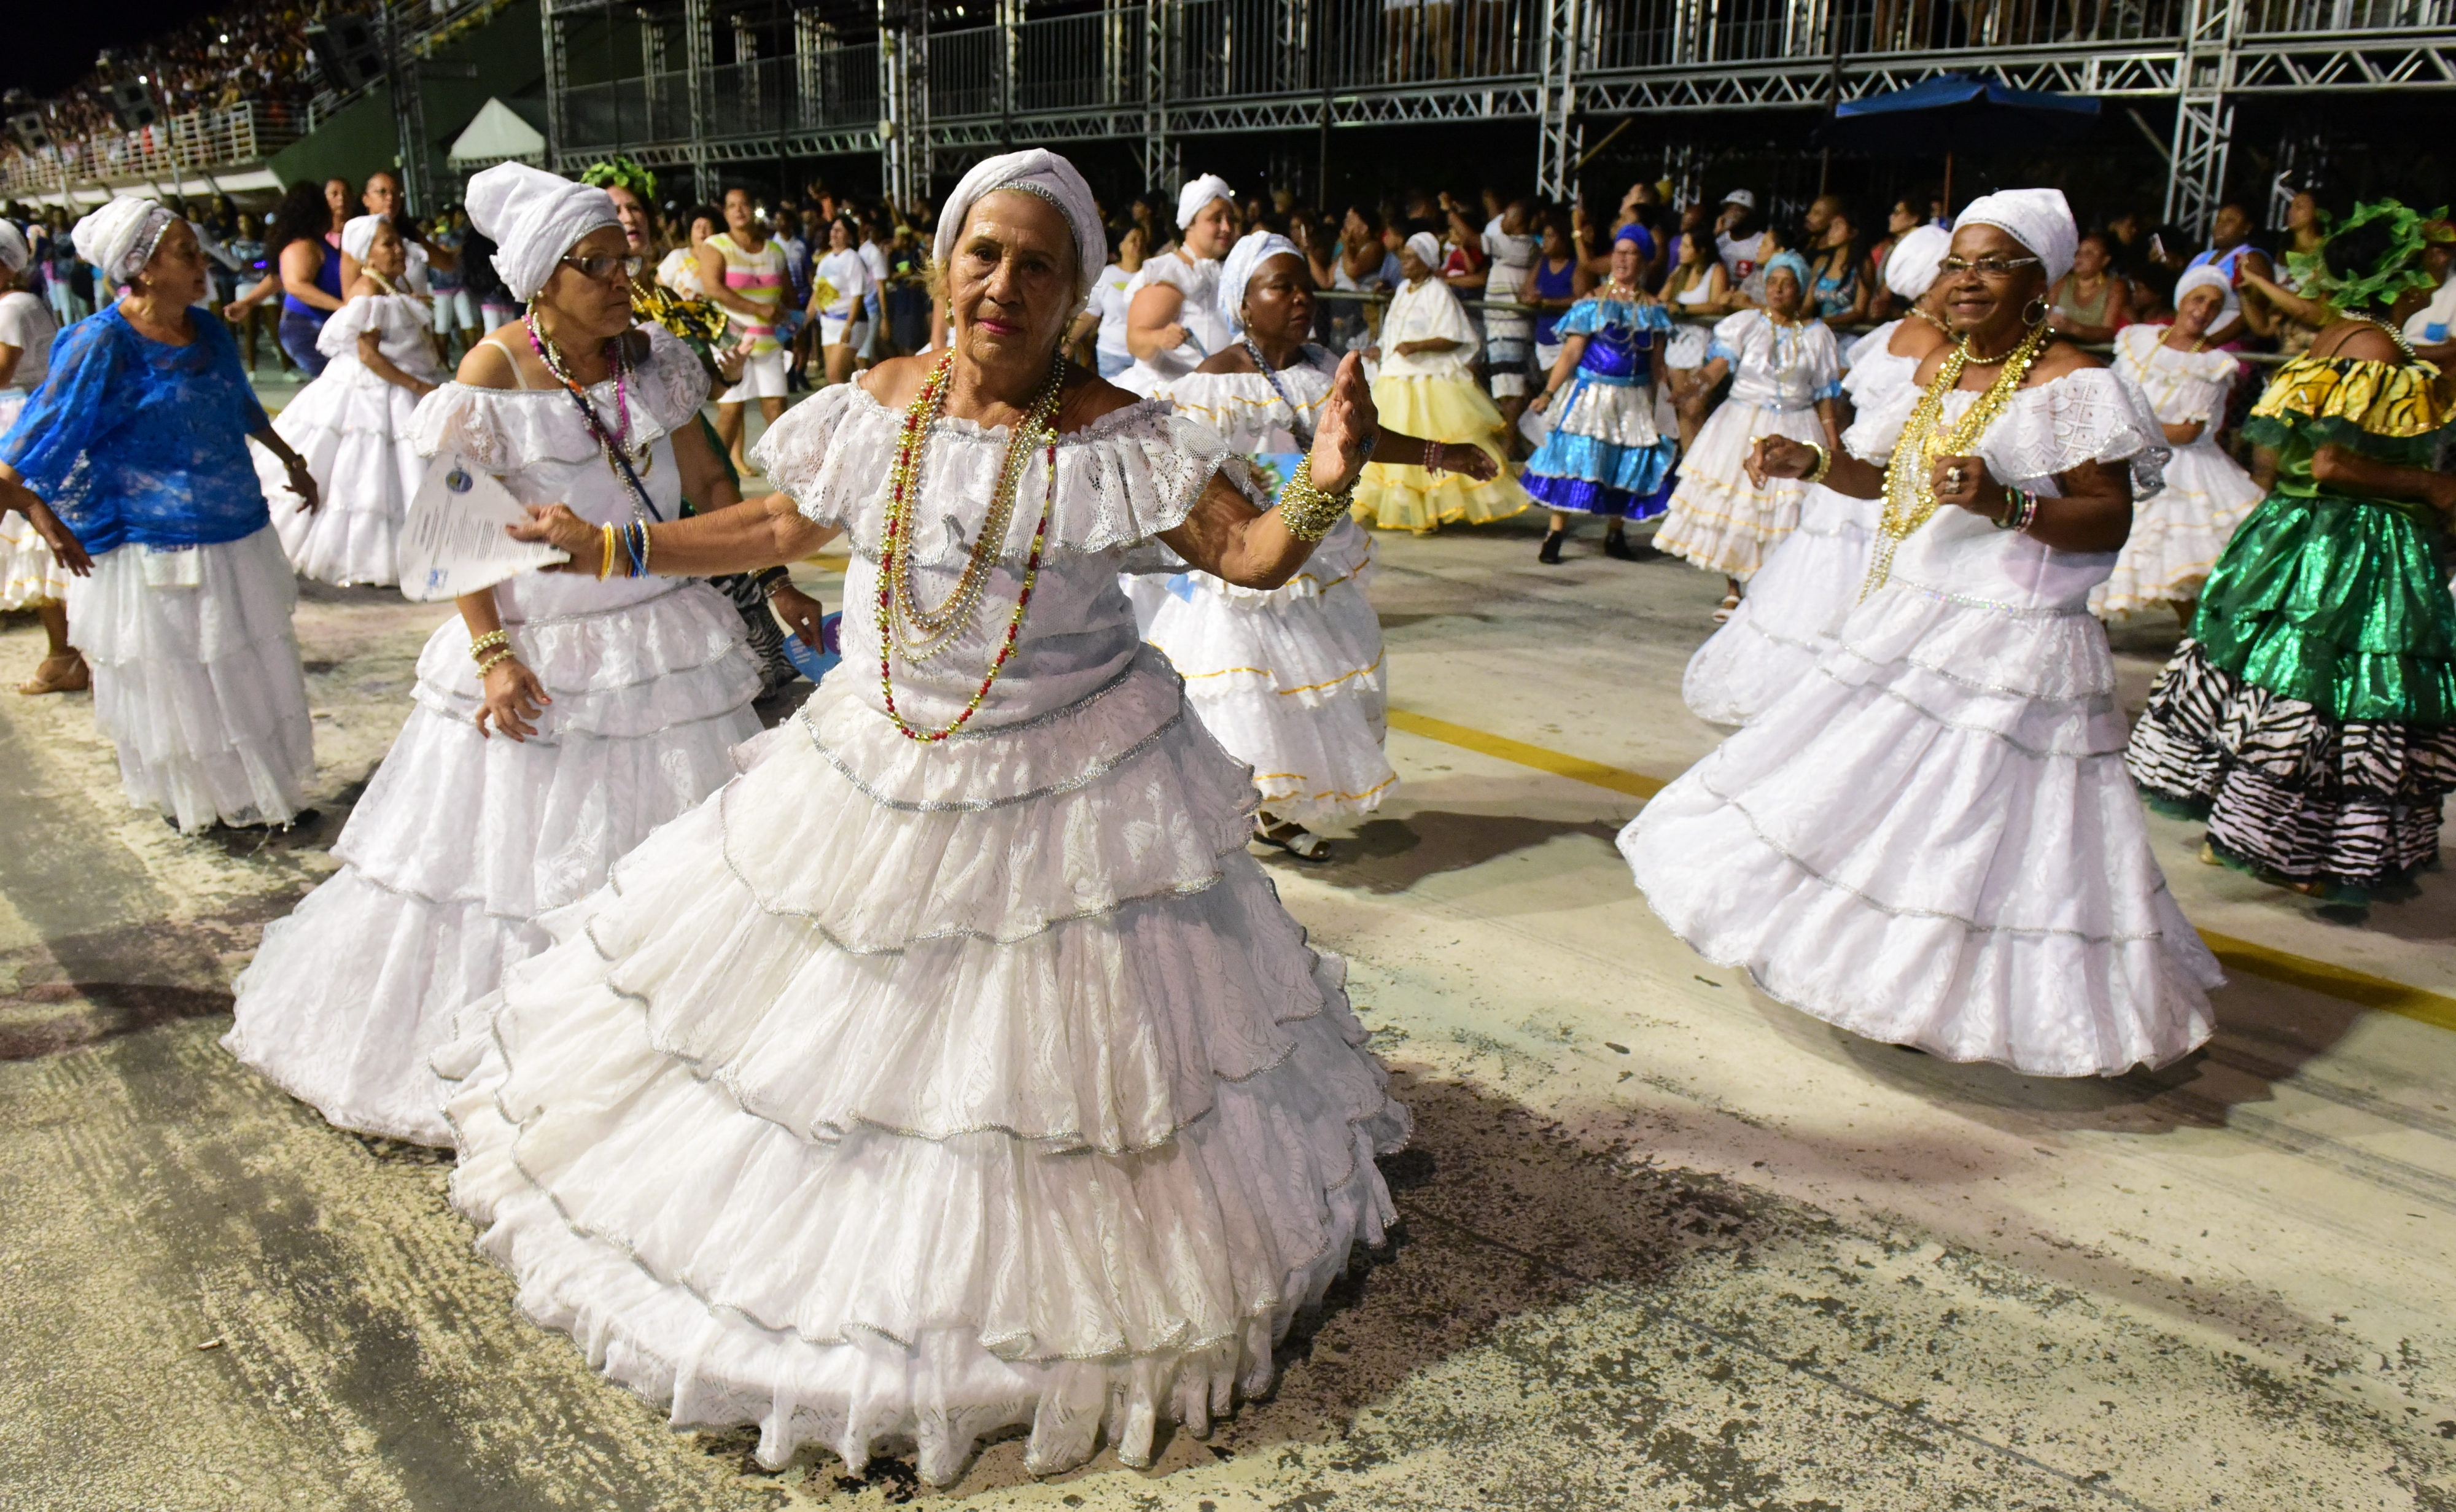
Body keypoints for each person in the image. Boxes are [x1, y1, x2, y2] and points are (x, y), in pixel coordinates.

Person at [432, 147, 1410, 1486]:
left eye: (1037, 264)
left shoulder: (1118, 431)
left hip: (1071, 801)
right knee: (832, 1066)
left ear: (1072, 294)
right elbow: (779, 516)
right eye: (981, 253)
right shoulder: (877, 400)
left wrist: (1328, 474)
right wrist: (619, 547)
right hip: (882, 764)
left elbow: (1249, 555)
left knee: (1069, 1093)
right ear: (943, 266)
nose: (1002, 283)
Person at [222, 163, 768, 1147]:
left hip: (660, 634)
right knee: (517, 883)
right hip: (543, 651)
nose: (617, 279)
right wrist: (492, 656)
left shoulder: (658, 360)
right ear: (539, 281)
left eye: (621, 259)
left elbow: (707, 476)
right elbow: (455, 539)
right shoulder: (491, 373)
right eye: (592, 265)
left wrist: (767, 579)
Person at [1623, 188, 2221, 1077]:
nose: (1967, 280)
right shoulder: (1948, 372)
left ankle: (1952, 997)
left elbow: (2105, 519)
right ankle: (1881, 978)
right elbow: (1896, 482)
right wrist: (1814, 463)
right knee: (1867, 802)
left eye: (1992, 264)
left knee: (1975, 832)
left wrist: (2005, 500)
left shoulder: (2076, 382)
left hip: (2015, 640)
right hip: (1916, 614)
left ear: (2041, 281)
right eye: (1957, 263)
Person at [2125, 203, 2456, 908]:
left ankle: (2245, 827)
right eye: (2428, 254)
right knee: (2333, 694)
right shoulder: (2373, 347)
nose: (2439, 264)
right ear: (2397, 271)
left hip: (2304, 532)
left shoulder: (2353, 334)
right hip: (2347, 540)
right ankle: (2284, 842)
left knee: (2276, 684)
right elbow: (2334, 464)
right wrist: (2430, 483)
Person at [1147, 230, 1497, 858]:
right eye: (1281, 287)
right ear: (1244, 303)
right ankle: (1226, 810)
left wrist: (1440, 454)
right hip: (1239, 573)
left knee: (1303, 689)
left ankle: (1274, 811)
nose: (1300, 298)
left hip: (1310, 556)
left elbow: (1362, 439)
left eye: (1304, 285)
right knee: (1242, 690)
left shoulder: (1316, 370)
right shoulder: (1214, 380)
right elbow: (1184, 466)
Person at [0, 198, 322, 833]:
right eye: (186, 254)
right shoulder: (100, 342)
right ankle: (202, 802)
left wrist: (290, 459)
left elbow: (241, 403)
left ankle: (263, 792)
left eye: (197, 251)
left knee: (246, 665)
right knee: (184, 679)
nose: (202, 265)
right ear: (141, 270)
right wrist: (40, 513)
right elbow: (31, 446)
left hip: (234, 527)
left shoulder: (206, 331)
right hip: (155, 543)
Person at [1681, 223, 1954, 725]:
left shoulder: (1875, 335)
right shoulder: (1935, 343)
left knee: (1796, 542)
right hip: (1840, 458)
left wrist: (1831, 449)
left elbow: (1833, 398)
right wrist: (1697, 387)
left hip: (1820, 440)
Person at [587, 157, 823, 700]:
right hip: (611, 564)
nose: (628, 217)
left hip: (692, 483)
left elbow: (692, 394)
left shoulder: (665, 302)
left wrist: (776, 579)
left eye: (634, 208)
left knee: (744, 677)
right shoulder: (541, 351)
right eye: (613, 208)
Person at [257, 215, 445, 587]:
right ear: (367, 255)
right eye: (387, 244)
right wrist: (418, 387)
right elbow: (369, 356)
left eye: (397, 242)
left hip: (403, 383)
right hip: (372, 391)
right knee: (368, 470)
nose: (397, 249)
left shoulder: (392, 285)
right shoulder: (368, 292)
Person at [1655, 251, 1843, 616]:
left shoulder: (1819, 337)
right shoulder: (1747, 325)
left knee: (1786, 509)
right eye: (1773, 282)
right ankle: (1733, 588)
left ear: (1800, 290)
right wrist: (1694, 388)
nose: (1778, 290)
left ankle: (1774, 586)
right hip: (1743, 424)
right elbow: (1717, 367)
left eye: (1787, 284)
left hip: (1796, 425)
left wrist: (1831, 441)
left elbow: (1824, 395)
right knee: (1739, 505)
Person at [2092, 266, 2262, 622]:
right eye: (2198, 299)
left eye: (2214, 306)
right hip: (2121, 452)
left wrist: (2130, 425)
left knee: (2172, 556)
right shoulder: (2139, 340)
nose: (2203, 311)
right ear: (2182, 299)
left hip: (2180, 464)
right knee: (2104, 543)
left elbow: (2187, 432)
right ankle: (2095, 626)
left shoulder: (2212, 364)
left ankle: (2193, 638)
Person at [1350, 230, 1530, 532]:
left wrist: (1419, 346)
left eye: (1411, 258)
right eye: (1404, 257)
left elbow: (1455, 336)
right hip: (1396, 378)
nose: (1404, 263)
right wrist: (1378, 348)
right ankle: (1400, 509)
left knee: (1428, 444)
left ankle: (1430, 512)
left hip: (1428, 382)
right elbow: (1391, 333)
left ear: (1426, 262)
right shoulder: (1404, 290)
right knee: (1387, 443)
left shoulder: (1438, 292)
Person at [1522, 226, 1677, 562]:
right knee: (1573, 458)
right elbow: (1571, 354)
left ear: (1643, 260)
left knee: (1627, 461)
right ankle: (1555, 533)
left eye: (1630, 253)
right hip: (1590, 395)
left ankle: (1615, 533)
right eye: (1618, 252)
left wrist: (1663, 401)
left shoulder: (1653, 309)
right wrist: (1549, 392)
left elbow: (1657, 364)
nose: (1622, 259)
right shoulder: (1593, 302)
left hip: (1633, 397)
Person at [0, 219, 80, 695]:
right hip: (23, 416)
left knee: (32, 541)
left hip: (20, 421)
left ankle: (65, 653)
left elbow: (3, 373)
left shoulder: (15, 307)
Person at [1119, 173, 1238, 393]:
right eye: (1216, 219)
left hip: (1214, 395)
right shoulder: (1170, 273)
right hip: (1172, 397)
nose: (1227, 227)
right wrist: (1159, 338)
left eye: (1231, 219)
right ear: (1190, 224)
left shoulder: (1223, 272)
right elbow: (1135, 340)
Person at [701, 187, 790, 474]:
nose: (739, 210)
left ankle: (787, 473)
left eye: (745, 204)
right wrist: (757, 309)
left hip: (768, 340)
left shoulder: (775, 251)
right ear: (725, 213)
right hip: (732, 341)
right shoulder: (717, 245)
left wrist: (794, 321)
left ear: (755, 208)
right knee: (731, 411)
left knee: (777, 407)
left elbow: (789, 295)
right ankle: (715, 475)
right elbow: (713, 288)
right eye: (731, 205)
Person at [1482, 198, 1538, 432]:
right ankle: (1516, 434)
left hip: (1510, 324)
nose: (1502, 221)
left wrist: (1449, 209)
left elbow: (1470, 238)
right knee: (1506, 381)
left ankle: (1511, 437)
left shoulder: (1518, 246)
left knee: (1510, 385)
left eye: (1507, 216)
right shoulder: (1516, 245)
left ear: (1519, 221)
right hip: (1502, 323)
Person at [809, 216, 876, 387]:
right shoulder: (826, 260)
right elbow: (818, 293)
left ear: (849, 236)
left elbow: (858, 296)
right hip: (828, 323)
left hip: (848, 322)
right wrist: (803, 322)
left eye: (840, 230)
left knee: (835, 375)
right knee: (836, 380)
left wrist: (849, 325)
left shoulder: (853, 259)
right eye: (833, 229)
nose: (834, 234)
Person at [2045, 231, 2132, 344]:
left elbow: (2109, 332)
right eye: (2079, 252)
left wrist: (2073, 328)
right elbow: (2045, 318)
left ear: (2105, 260)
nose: (2080, 257)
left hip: (2098, 354)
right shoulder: (2061, 283)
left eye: (2089, 253)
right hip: (2061, 349)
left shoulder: (2115, 287)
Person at [1086, 222, 1146, 378]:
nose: (1138, 245)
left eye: (1142, 240)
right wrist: (1069, 343)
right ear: (1121, 246)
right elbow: (1091, 313)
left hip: (1144, 358)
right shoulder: (1106, 276)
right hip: (1112, 355)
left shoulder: (1151, 276)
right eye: (1133, 240)